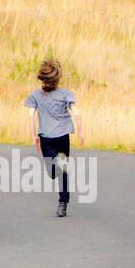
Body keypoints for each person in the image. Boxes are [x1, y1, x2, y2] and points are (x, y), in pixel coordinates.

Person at [23, 58, 84, 218]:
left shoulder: (35, 95)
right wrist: (80, 132)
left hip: (46, 138)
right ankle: (62, 204)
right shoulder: (66, 93)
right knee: (63, 169)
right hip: (63, 136)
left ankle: (54, 171)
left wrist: (33, 136)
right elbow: (76, 112)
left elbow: (30, 115)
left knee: (52, 170)